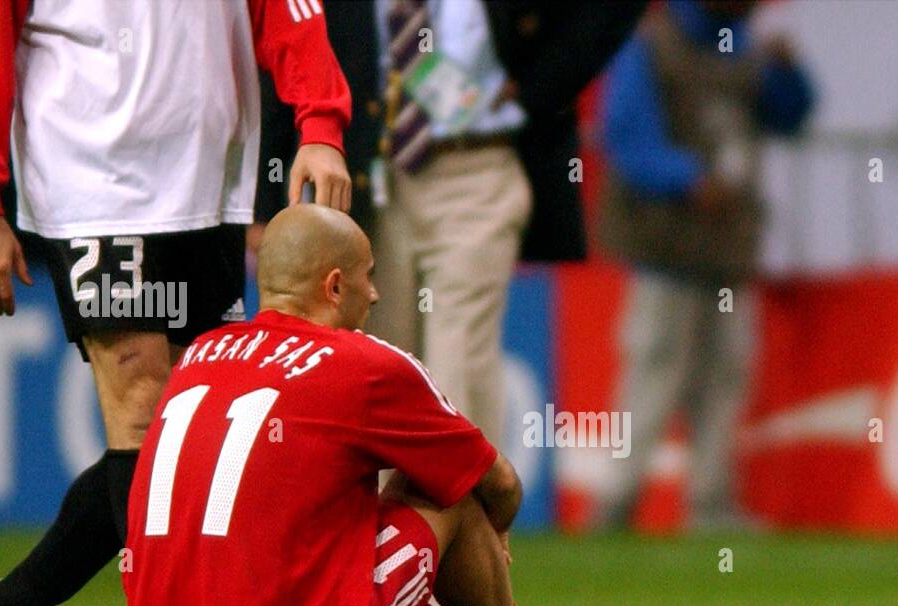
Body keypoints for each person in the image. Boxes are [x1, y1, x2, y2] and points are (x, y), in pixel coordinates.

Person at [0, 0, 354, 606]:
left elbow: (288, 7)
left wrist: (320, 121)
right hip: (93, 177)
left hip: (208, 181)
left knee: (192, 429)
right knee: (141, 409)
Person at [114, 204, 622, 606]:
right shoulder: (365, 365)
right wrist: (495, 536)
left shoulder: (200, 354)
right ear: (334, 287)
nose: (376, 293)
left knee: (340, 526)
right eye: (368, 276)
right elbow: (501, 483)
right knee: (453, 490)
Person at [255, 0, 647, 447]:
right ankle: (387, 515)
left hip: (473, 166)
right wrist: (263, 205)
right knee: (379, 365)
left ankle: (462, 513)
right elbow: (287, 49)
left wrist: (538, 86)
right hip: (365, 176)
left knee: (457, 360)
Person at [596, 0, 816, 528]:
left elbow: (791, 115)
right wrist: (688, 178)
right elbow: (625, 139)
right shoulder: (651, 44)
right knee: (654, 366)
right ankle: (616, 502)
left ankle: (712, 504)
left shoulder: (746, 46)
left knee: (726, 371)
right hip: (663, 245)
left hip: (726, 247)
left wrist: (789, 72)